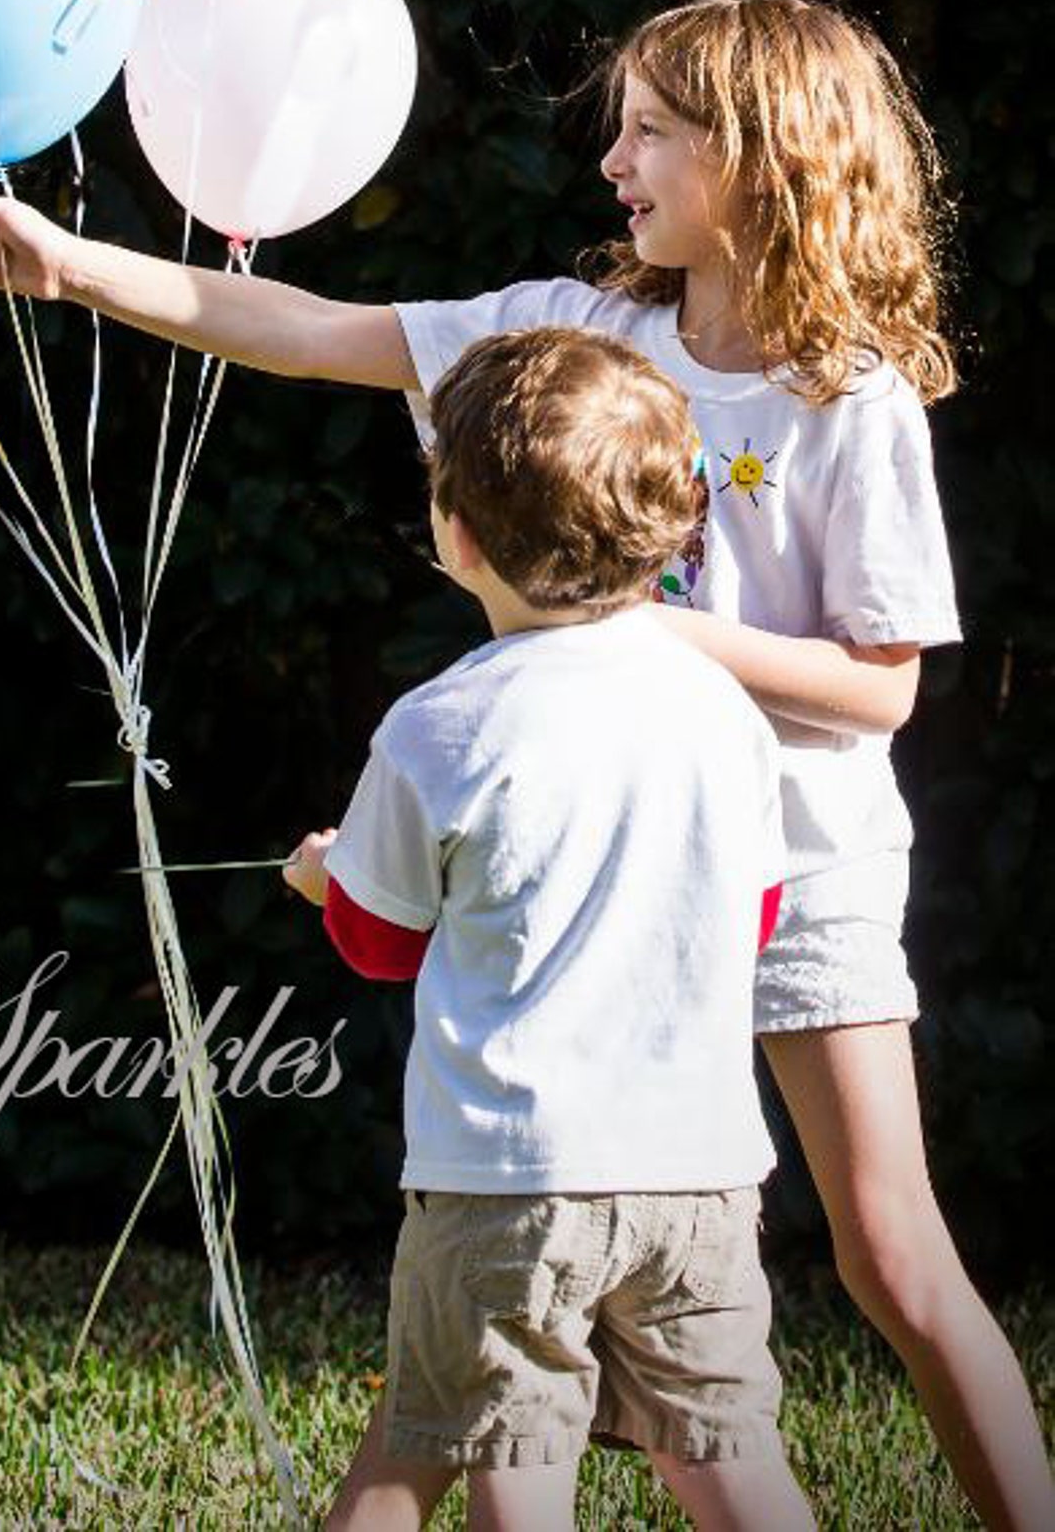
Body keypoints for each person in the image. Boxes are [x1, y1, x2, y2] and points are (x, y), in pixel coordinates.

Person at [0, 0, 1055, 1529]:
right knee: (545, 1239)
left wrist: (650, 632)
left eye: (650, 132)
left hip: (803, 875)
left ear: (761, 157)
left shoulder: (848, 403)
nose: (613, 161)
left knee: (891, 1254)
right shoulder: (587, 335)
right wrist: (70, 269)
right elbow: (314, 332)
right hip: (615, 883)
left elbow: (880, 689)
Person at [279, 322, 808, 1531]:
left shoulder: (439, 724)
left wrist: (324, 877)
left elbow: (378, 941)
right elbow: (755, 912)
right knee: (727, 1452)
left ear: (456, 534)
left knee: (503, 1458)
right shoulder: (723, 710)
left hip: (510, 1179)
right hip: (701, 1170)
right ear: (680, 519)